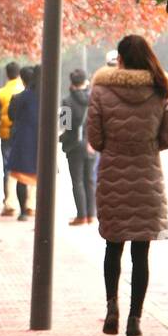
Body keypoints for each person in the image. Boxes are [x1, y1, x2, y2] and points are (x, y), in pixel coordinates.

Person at [87, 34, 168, 336]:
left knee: (113, 246)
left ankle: (112, 308)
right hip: (147, 179)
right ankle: (134, 321)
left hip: (112, 175)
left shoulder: (101, 90)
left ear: (121, 59)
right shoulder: (161, 90)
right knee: (142, 253)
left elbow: (95, 140)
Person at [60, 68, 96, 225]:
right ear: (85, 81)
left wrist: (62, 139)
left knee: (78, 181)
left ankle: (81, 216)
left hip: (74, 146)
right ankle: (92, 215)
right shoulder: (94, 99)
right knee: (90, 180)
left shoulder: (66, 101)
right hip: (91, 144)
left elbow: (64, 125)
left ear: (72, 83)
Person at [7, 65, 40, 220]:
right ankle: (39, 209)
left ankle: (23, 212)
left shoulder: (19, 97)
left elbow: (12, 116)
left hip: (23, 141)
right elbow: (63, 121)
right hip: (43, 142)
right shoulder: (51, 96)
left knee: (21, 176)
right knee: (43, 178)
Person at [0, 61, 23, 217]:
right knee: (22, 166)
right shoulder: (23, 89)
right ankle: (25, 203)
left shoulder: (1, 92)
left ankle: (9, 203)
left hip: (5, 134)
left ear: (7, 74)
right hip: (19, 134)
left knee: (7, 168)